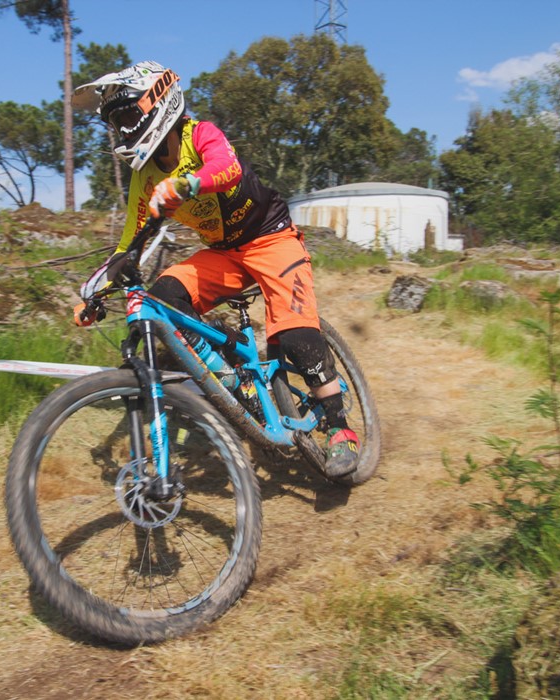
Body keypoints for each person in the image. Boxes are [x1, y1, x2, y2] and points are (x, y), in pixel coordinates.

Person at [71, 60, 360, 478]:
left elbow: (228, 169)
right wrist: (95, 292)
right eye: (116, 123)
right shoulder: (145, 176)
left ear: (160, 102)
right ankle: (230, 373)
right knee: (165, 296)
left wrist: (186, 184)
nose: (124, 130)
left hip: (271, 238)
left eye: (129, 116)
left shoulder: (199, 133)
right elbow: (127, 247)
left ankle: (340, 430)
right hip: (224, 253)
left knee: (295, 333)